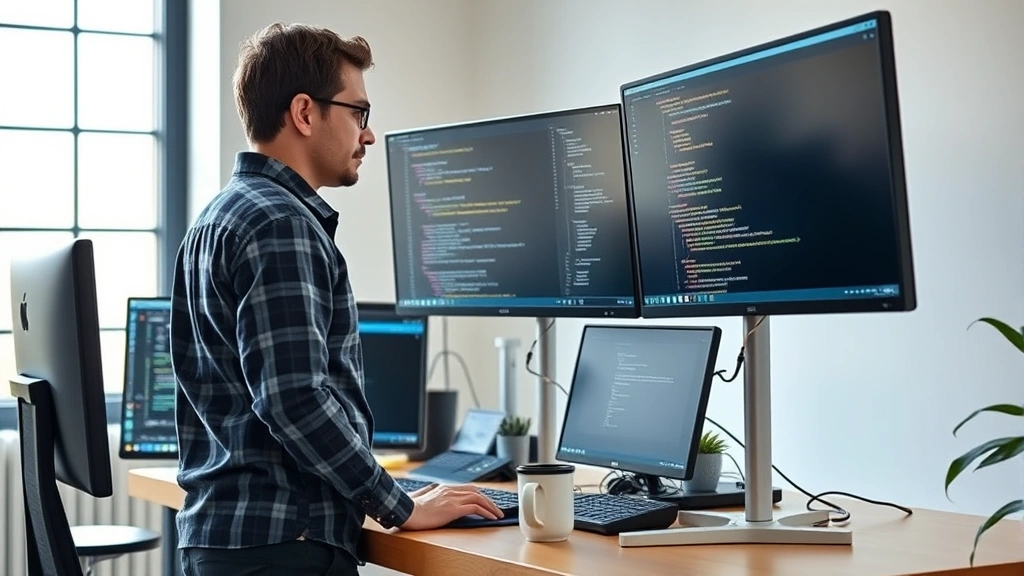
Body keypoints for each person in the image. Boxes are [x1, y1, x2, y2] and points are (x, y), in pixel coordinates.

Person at [169, 22, 502, 576]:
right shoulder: (280, 223)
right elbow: (293, 399)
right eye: (358, 113)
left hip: (229, 538)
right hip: (283, 544)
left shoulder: (216, 217)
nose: (368, 135)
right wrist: (399, 507)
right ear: (304, 112)